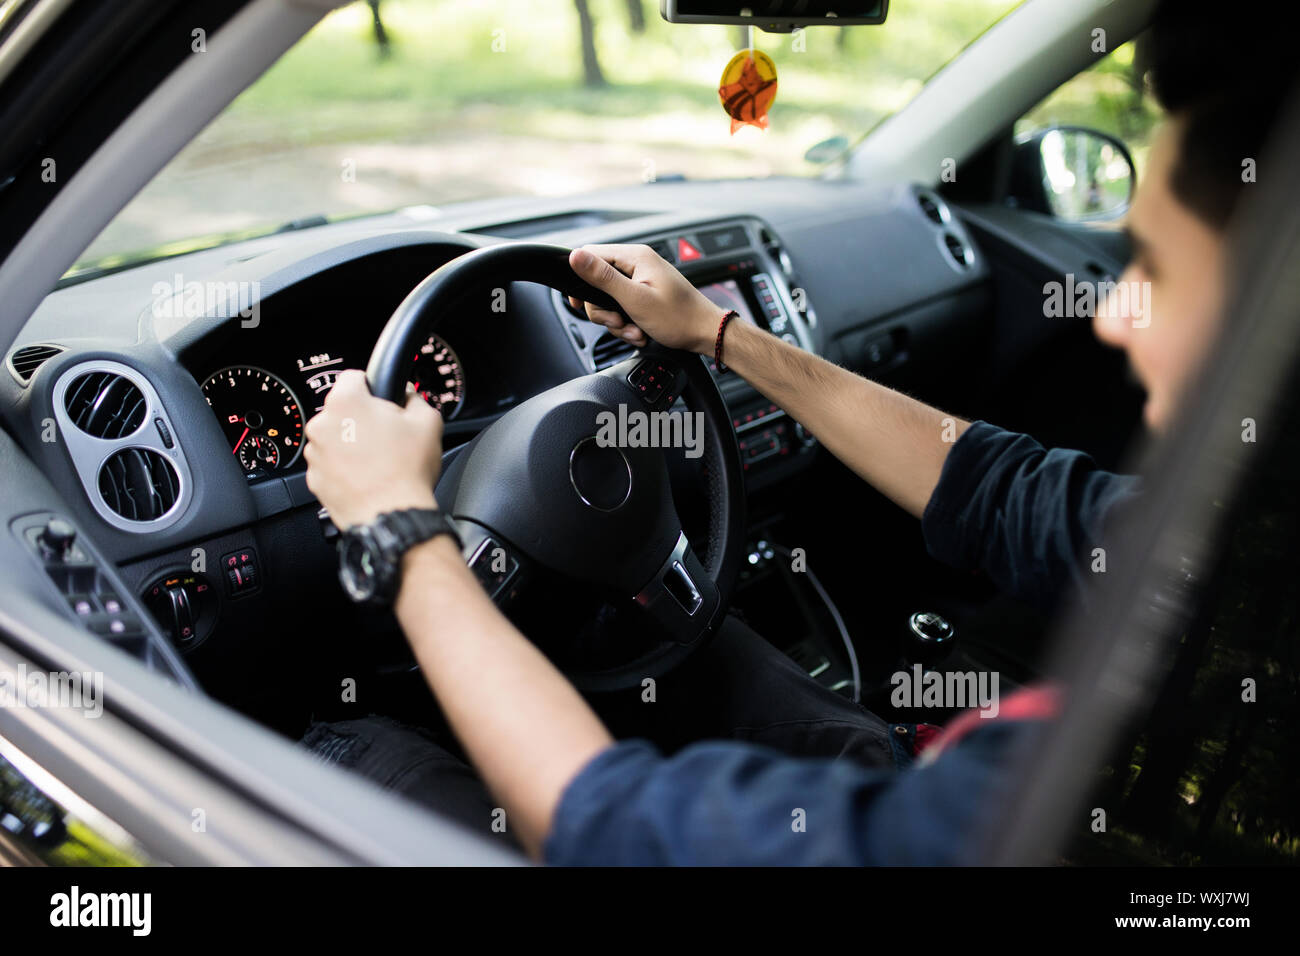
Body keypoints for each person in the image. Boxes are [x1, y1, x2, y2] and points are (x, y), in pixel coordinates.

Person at [300, 1, 1295, 863]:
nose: (1114, 314)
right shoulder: (1242, 559)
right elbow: (1008, 493)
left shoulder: (1019, 804)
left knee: (351, 753)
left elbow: (616, 830)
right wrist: (720, 336)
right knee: (745, 681)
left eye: (1156, 270)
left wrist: (401, 529)